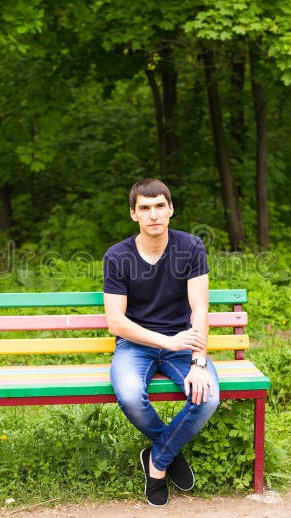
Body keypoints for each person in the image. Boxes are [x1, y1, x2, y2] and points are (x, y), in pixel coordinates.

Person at [103, 178, 220, 507]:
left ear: (170, 209)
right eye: (145, 208)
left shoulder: (191, 247)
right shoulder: (117, 256)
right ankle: (170, 452)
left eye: (159, 206)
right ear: (133, 214)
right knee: (130, 395)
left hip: (184, 342)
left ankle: (157, 463)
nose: (153, 214)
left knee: (207, 398)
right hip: (136, 344)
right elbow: (117, 322)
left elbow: (200, 308)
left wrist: (198, 362)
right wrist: (166, 342)